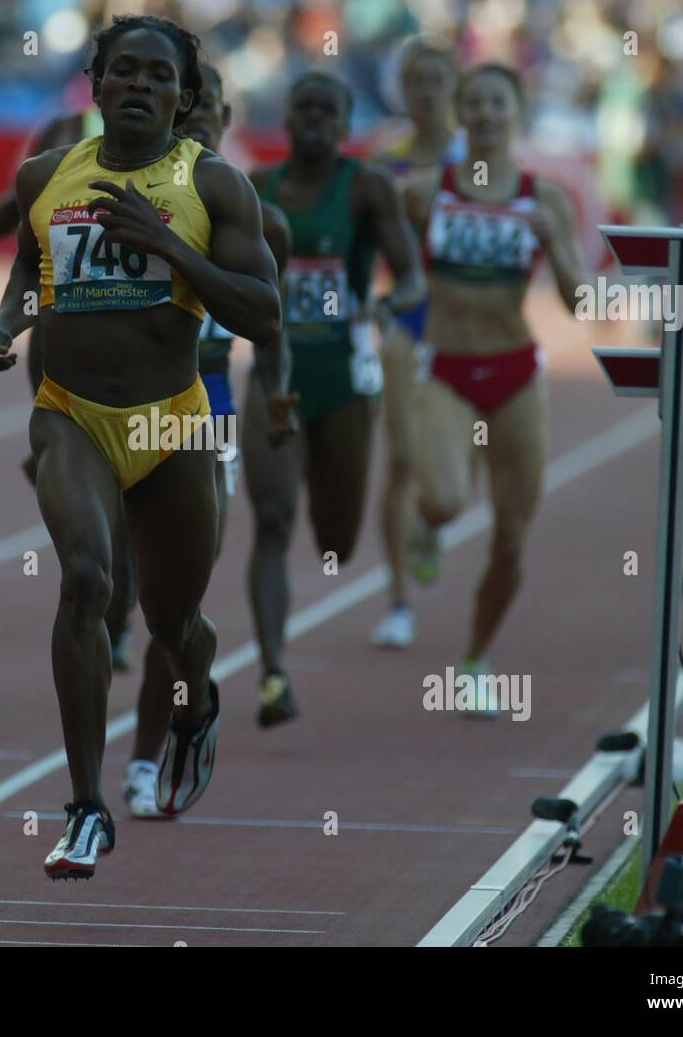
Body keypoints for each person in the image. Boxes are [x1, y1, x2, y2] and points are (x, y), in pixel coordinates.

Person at [0, 15, 281, 878]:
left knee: (174, 622)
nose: (141, 85)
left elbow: (263, 313)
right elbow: (30, 277)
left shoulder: (215, 186)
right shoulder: (45, 175)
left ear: (184, 99)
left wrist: (167, 244)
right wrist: (1, 332)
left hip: (170, 419)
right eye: (125, 71)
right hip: (68, 412)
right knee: (90, 583)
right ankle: (86, 805)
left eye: (159, 76)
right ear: (96, 85)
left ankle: (199, 690)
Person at [120, 63, 295, 818]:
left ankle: (142, 756)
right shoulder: (111, 192)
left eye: (207, 110)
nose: (193, 121)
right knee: (98, 589)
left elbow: (271, 319)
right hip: (109, 403)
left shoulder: (247, 208)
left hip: (204, 409)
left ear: (226, 117)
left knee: (171, 604)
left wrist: (280, 389)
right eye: (182, 108)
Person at [404, 63, 586, 715]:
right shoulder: (427, 192)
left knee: (511, 537)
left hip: (515, 371)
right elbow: (387, 263)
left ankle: (475, 660)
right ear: (459, 113)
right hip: (448, 366)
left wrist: (556, 251)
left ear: (518, 110)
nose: (484, 114)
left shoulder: (546, 197)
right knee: (448, 499)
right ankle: (426, 524)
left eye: (496, 103)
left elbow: (581, 302)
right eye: (473, 103)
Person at [244, 72, 423, 728]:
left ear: (346, 123)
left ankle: (336, 511)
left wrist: (384, 305)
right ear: (286, 116)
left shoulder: (367, 186)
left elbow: (409, 278)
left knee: (337, 541)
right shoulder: (257, 189)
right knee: (271, 518)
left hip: (346, 379)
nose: (315, 118)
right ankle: (272, 673)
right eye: (304, 107)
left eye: (329, 109)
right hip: (275, 378)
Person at [0, 106, 145, 675]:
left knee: (127, 507)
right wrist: (28, 193)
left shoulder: (168, 151)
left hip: (140, 357)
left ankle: (119, 622)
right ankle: (55, 454)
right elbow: (8, 225)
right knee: (93, 494)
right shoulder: (58, 137)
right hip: (59, 343)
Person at [369, 40, 467, 649]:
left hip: (467, 326)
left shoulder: (476, 158)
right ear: (402, 91)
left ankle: (434, 522)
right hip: (407, 320)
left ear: (452, 87)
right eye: (416, 81)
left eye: (437, 80)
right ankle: (398, 602)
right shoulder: (386, 163)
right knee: (401, 460)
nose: (426, 92)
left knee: (450, 477)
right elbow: (367, 243)